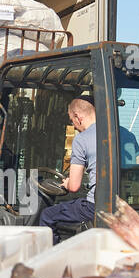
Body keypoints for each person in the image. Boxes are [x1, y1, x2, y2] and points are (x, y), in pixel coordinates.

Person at [39, 97, 98, 240]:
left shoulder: (82, 139)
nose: (74, 126)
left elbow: (74, 186)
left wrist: (67, 183)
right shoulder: (126, 134)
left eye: (72, 121)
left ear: (77, 117)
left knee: (47, 216)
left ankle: (53, 259)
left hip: (96, 207)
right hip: (122, 203)